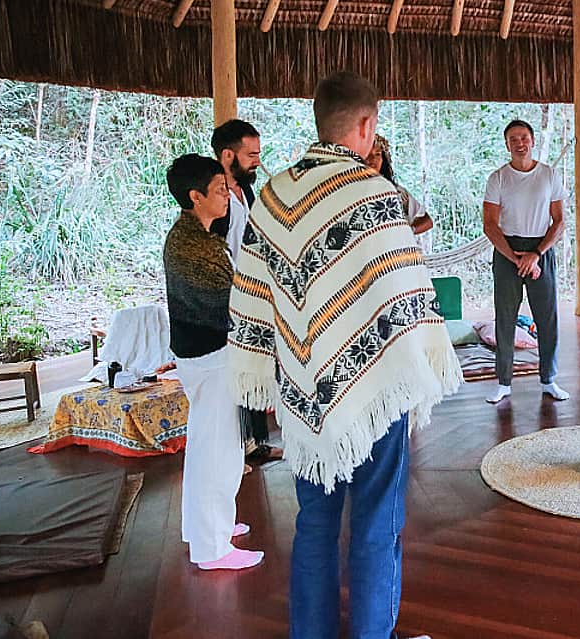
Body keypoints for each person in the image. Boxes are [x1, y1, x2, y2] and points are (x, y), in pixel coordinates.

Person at [227, 72, 460, 639]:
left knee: (315, 525)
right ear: (366, 125)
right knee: (377, 523)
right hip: (374, 391)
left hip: (305, 397)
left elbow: (254, 298)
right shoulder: (375, 194)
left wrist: (280, 377)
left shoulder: (275, 196)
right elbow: (406, 295)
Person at [163, 153, 263, 571]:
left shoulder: (197, 236)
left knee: (217, 447)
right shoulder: (192, 248)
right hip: (209, 356)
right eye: (220, 190)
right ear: (195, 196)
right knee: (216, 451)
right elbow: (225, 305)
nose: (227, 196)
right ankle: (212, 547)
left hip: (207, 354)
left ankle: (208, 526)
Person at [482, 119, 570, 405]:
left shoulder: (549, 175)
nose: (520, 143)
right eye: (513, 139)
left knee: (547, 316)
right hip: (508, 249)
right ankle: (503, 382)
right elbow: (490, 225)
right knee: (505, 317)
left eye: (524, 137)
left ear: (532, 141)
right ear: (507, 145)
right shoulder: (498, 178)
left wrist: (536, 255)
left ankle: (549, 379)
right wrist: (515, 257)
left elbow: (559, 221)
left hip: (540, 248)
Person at [210, 118, 281, 466]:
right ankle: (240, 447)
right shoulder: (213, 195)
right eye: (251, 154)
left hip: (252, 292)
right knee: (235, 367)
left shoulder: (246, 190)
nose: (257, 160)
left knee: (253, 363)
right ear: (227, 155)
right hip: (227, 294)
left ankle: (257, 443)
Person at [366, 134, 434, 235]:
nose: (373, 159)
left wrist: (407, 232)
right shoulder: (349, 190)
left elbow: (427, 221)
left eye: (378, 154)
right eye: (367, 154)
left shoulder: (397, 191)